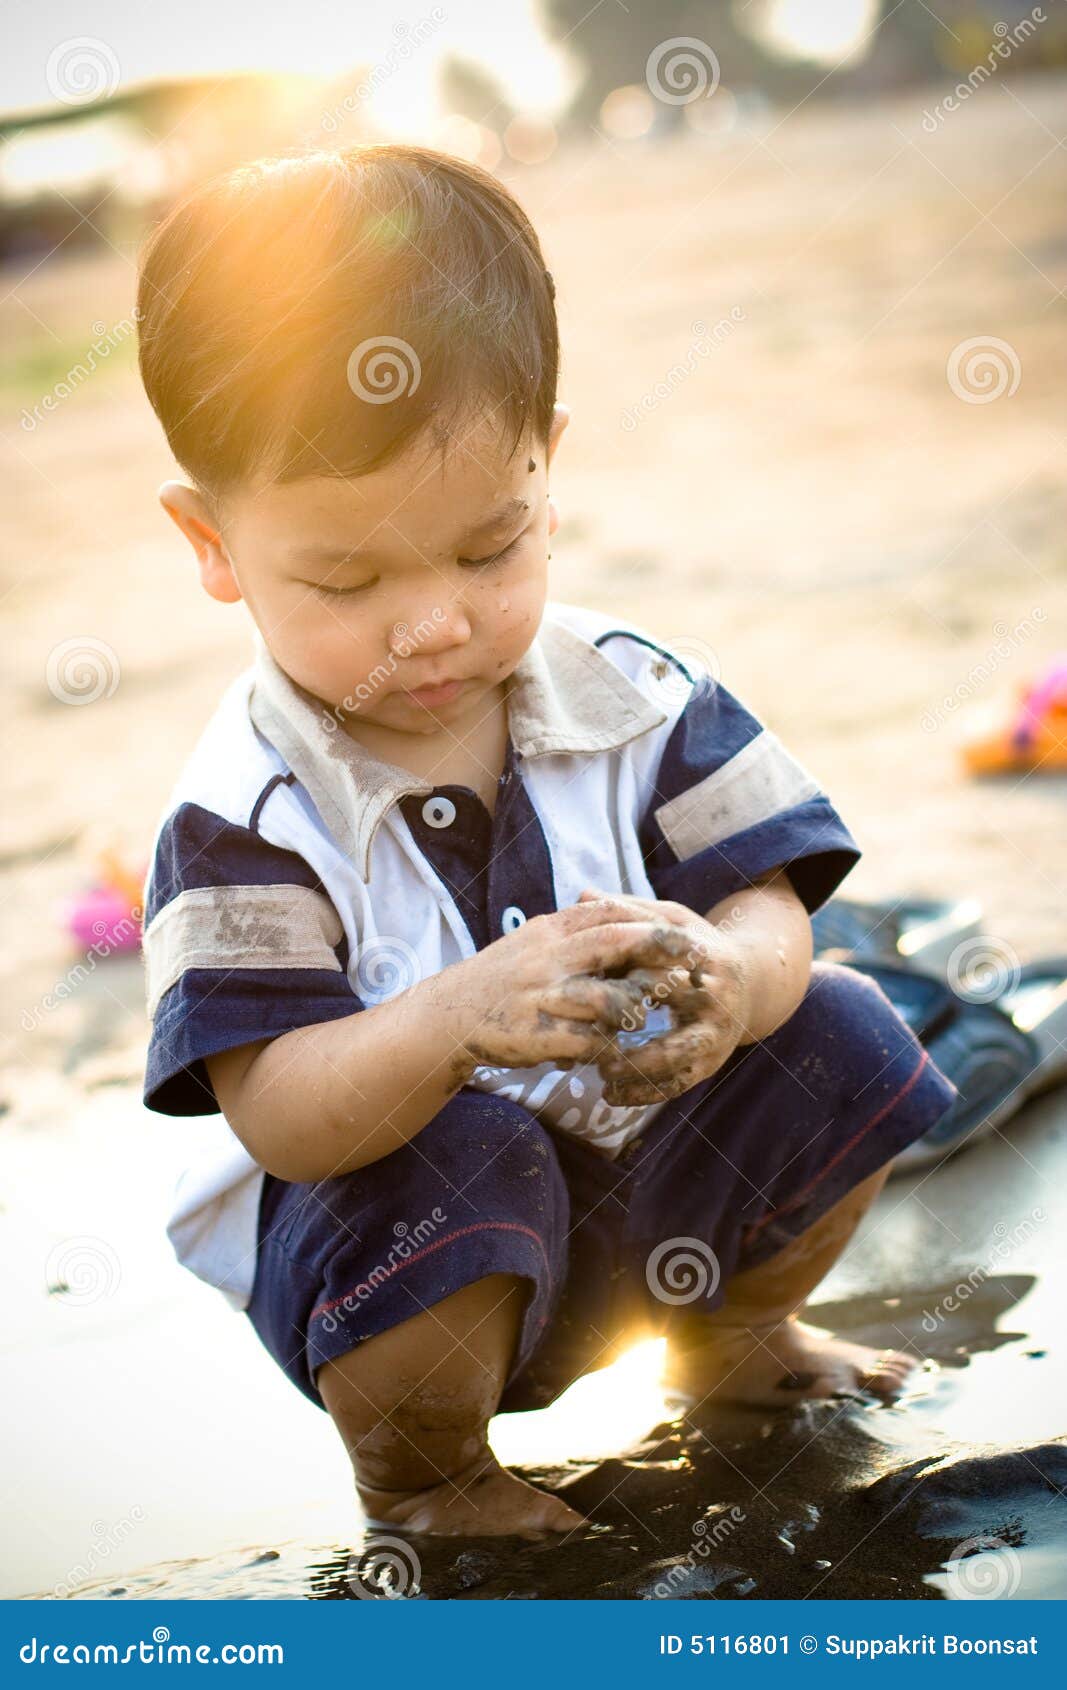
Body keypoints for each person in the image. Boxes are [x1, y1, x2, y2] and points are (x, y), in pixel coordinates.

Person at [137, 145, 957, 1539]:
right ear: (213, 543)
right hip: (399, 1267)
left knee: (847, 1029)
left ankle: (737, 1340)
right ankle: (431, 1478)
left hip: (649, 1185)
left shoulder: (637, 692)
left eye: (488, 547)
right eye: (347, 577)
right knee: (472, 1149)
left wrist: (733, 973)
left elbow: (774, 902)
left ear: (548, 468)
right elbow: (275, 1102)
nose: (434, 622)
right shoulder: (247, 813)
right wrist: (452, 1023)